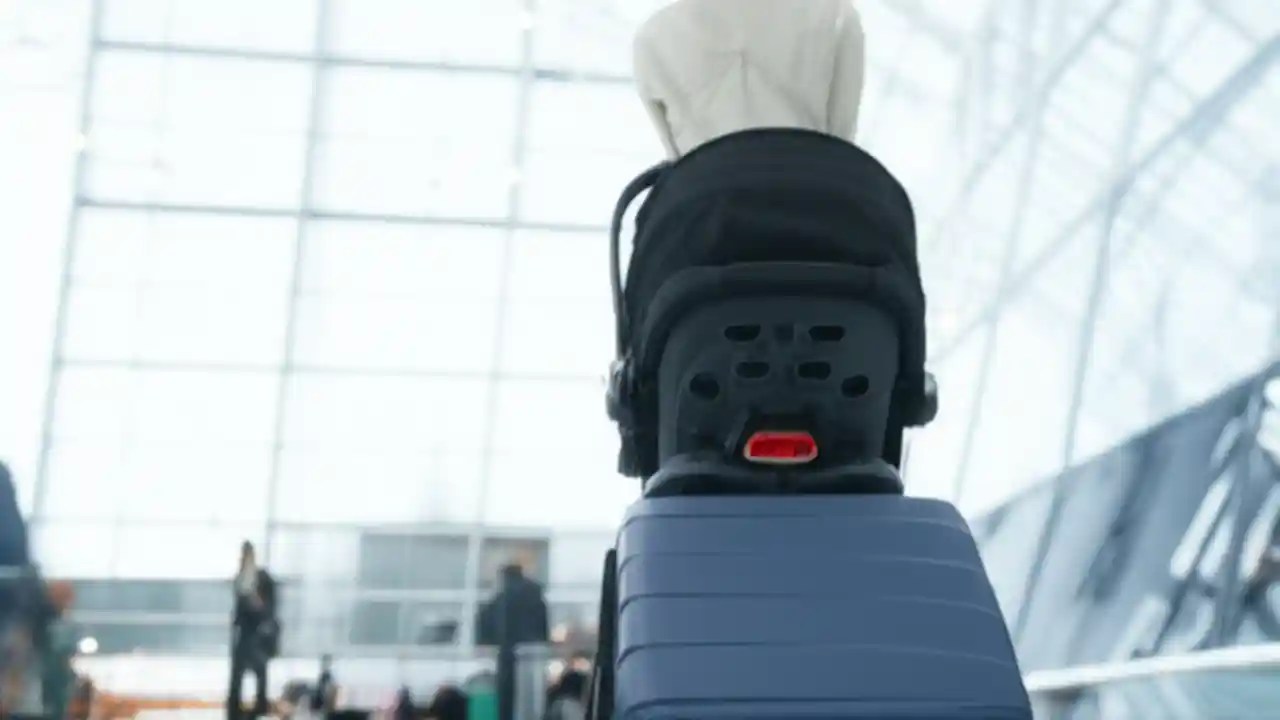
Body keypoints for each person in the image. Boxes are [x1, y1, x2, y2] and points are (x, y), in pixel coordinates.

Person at [633, 0, 865, 158]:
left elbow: (675, 156)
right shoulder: (836, 15)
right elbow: (842, 140)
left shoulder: (652, 38)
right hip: (813, 200)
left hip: (707, 210)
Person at [228, 541, 277, 719]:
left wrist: (256, 602)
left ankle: (259, 711)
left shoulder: (263, 579)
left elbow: (269, 608)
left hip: (258, 636)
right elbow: (239, 610)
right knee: (237, 677)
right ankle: (235, 713)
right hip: (244, 634)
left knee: (260, 676)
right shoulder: (240, 578)